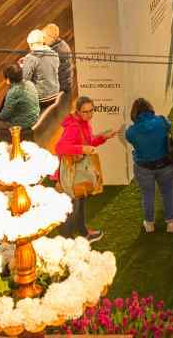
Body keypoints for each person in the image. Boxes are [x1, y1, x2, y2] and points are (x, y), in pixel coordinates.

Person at [55, 95, 110, 242]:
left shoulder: (83, 123)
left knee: (81, 203)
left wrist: (103, 138)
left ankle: (83, 232)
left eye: (92, 111)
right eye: (85, 112)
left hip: (78, 172)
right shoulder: (74, 126)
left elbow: (88, 143)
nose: (89, 114)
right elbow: (60, 147)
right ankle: (65, 241)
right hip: (70, 173)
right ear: (78, 111)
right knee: (73, 209)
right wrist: (82, 148)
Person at [125, 98, 173, 234]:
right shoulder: (162, 121)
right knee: (168, 192)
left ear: (134, 112)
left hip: (143, 168)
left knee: (147, 195)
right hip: (165, 164)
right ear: (150, 108)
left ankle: (149, 224)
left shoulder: (131, 132)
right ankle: (171, 223)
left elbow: (132, 140)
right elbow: (169, 127)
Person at [0, 62, 38, 148]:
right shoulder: (29, 83)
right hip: (34, 116)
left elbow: (6, 114)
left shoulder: (13, 92)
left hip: (24, 122)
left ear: (8, 79)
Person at [20, 29, 62, 108]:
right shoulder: (54, 54)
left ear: (31, 44)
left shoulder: (31, 57)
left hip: (42, 98)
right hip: (55, 94)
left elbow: (25, 79)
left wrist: (23, 66)